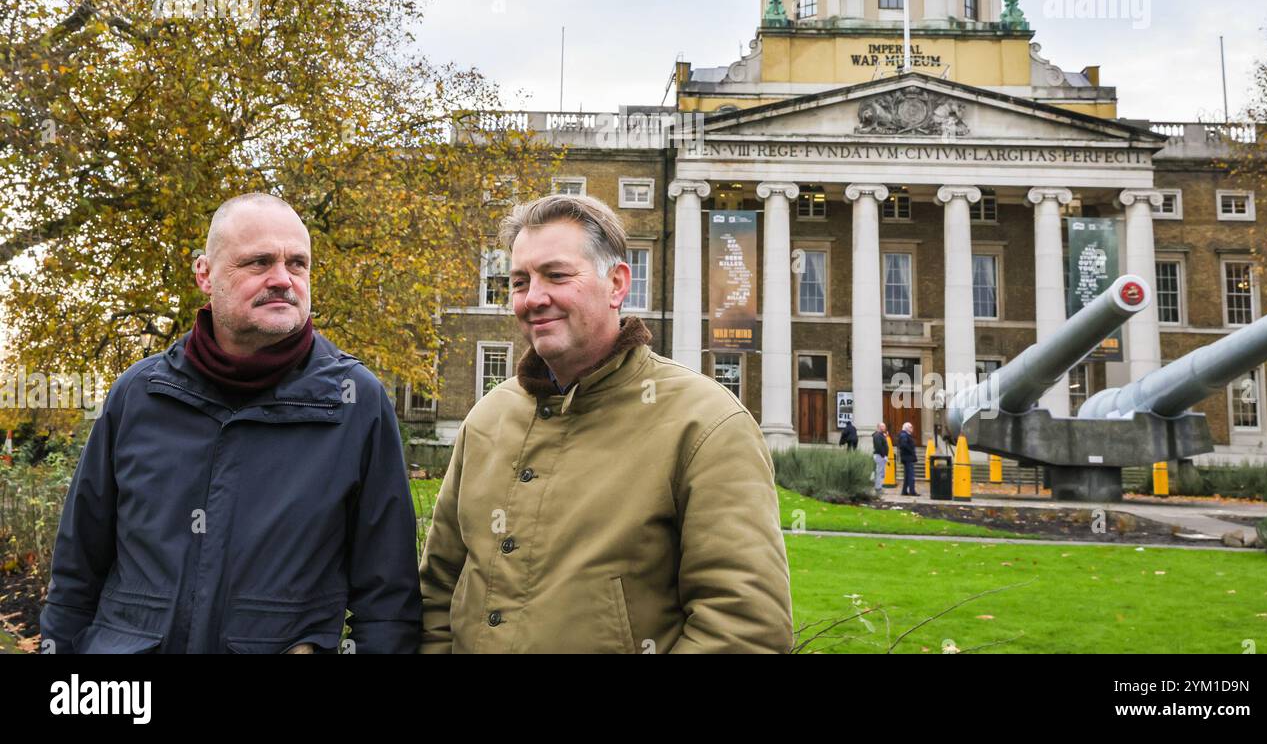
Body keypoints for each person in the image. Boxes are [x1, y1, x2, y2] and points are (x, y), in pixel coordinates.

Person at [40, 193, 420, 654]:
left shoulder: (355, 402)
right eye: (259, 262)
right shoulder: (139, 394)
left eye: (297, 264)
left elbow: (388, 602)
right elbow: (78, 569)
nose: (282, 280)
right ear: (205, 273)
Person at [419, 193, 793, 653]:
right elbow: (437, 589)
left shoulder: (706, 424)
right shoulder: (488, 418)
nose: (533, 298)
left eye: (556, 276)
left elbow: (743, 629)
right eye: (519, 282)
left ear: (617, 284)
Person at [898, 421, 918, 496]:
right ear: (906, 428)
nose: (912, 428)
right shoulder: (904, 435)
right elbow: (903, 445)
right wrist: (911, 451)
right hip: (908, 458)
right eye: (910, 427)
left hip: (907, 457)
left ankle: (904, 491)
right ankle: (912, 491)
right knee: (911, 475)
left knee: (907, 476)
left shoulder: (905, 435)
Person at [872, 422, 889, 494]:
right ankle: (878, 488)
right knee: (879, 473)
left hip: (881, 456)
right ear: (879, 427)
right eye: (883, 426)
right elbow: (879, 446)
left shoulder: (881, 435)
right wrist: (883, 455)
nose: (885, 428)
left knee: (881, 473)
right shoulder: (877, 435)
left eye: (884, 426)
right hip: (879, 456)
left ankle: (879, 487)